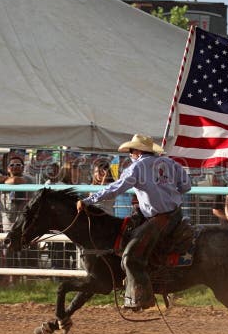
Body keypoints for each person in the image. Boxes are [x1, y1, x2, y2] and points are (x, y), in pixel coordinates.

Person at [78, 133, 191, 310]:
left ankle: (142, 297)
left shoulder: (137, 167)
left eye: (131, 151)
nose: (130, 154)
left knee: (130, 257)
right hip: (175, 214)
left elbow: (115, 188)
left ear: (137, 151)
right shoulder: (170, 163)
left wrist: (89, 200)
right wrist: (166, 191)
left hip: (159, 219)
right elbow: (186, 186)